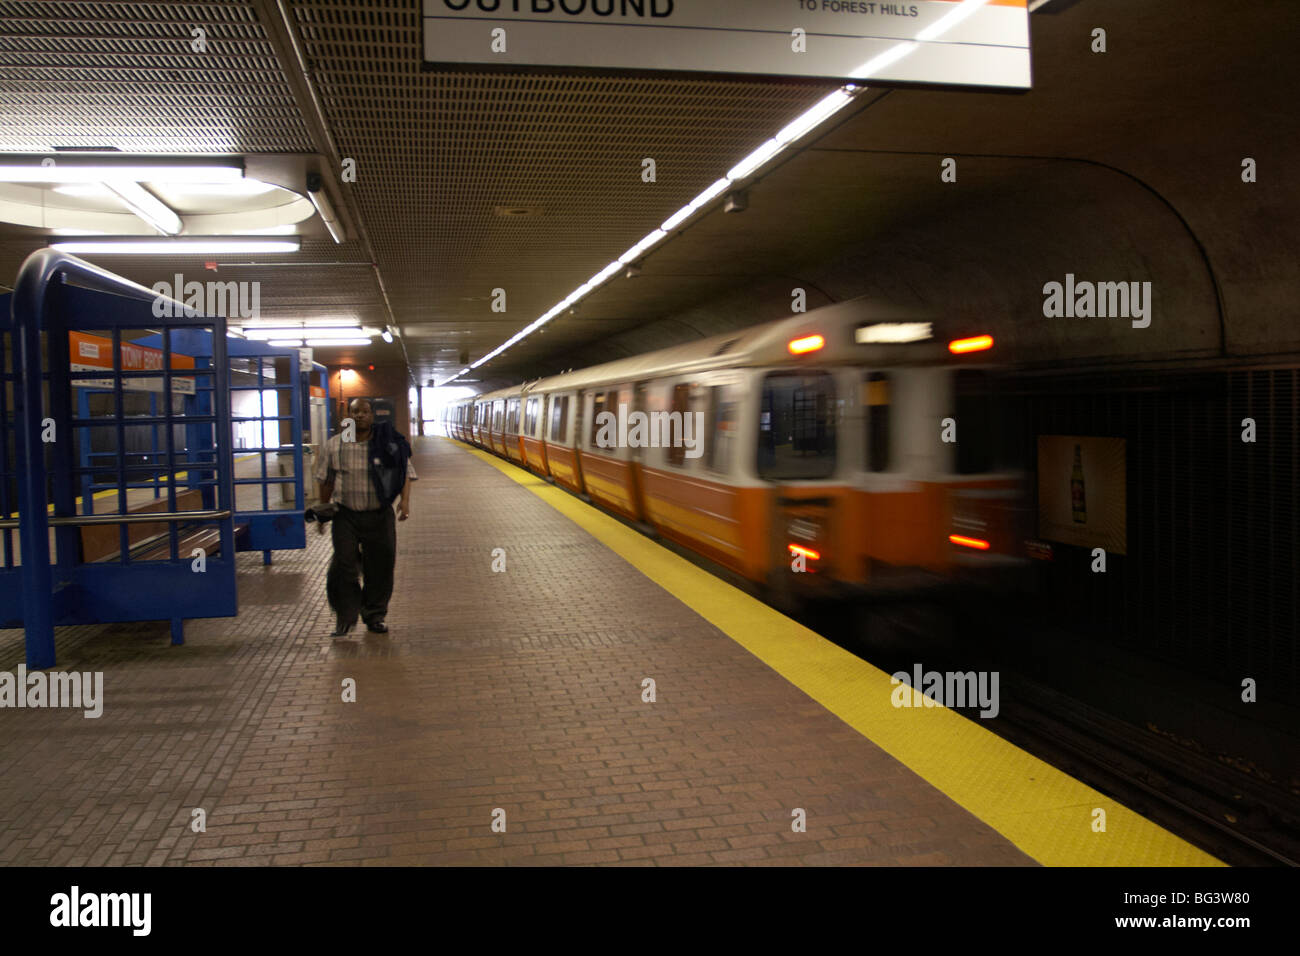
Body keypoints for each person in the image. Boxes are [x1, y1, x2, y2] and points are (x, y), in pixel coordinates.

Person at [312, 398, 416, 636]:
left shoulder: (386, 444)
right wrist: (322, 510)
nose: (360, 416)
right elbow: (326, 480)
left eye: (365, 411)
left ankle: (374, 615)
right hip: (345, 515)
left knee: (380, 567)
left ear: (372, 415)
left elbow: (404, 473)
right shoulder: (335, 445)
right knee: (344, 566)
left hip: (379, 514)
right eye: (355, 411)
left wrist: (405, 502)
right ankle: (347, 614)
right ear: (347, 415)